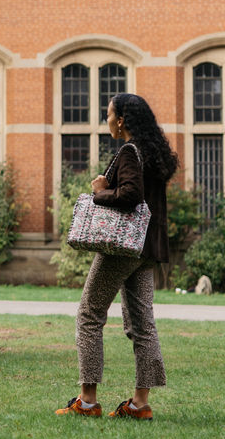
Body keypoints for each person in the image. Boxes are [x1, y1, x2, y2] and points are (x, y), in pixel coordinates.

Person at [56, 93, 178, 420]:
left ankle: (87, 401)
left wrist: (100, 192)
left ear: (121, 120)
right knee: (142, 324)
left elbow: (130, 194)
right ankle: (140, 404)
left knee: (89, 313)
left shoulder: (128, 151)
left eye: (109, 114)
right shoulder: (153, 154)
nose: (107, 120)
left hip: (124, 247)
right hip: (148, 249)